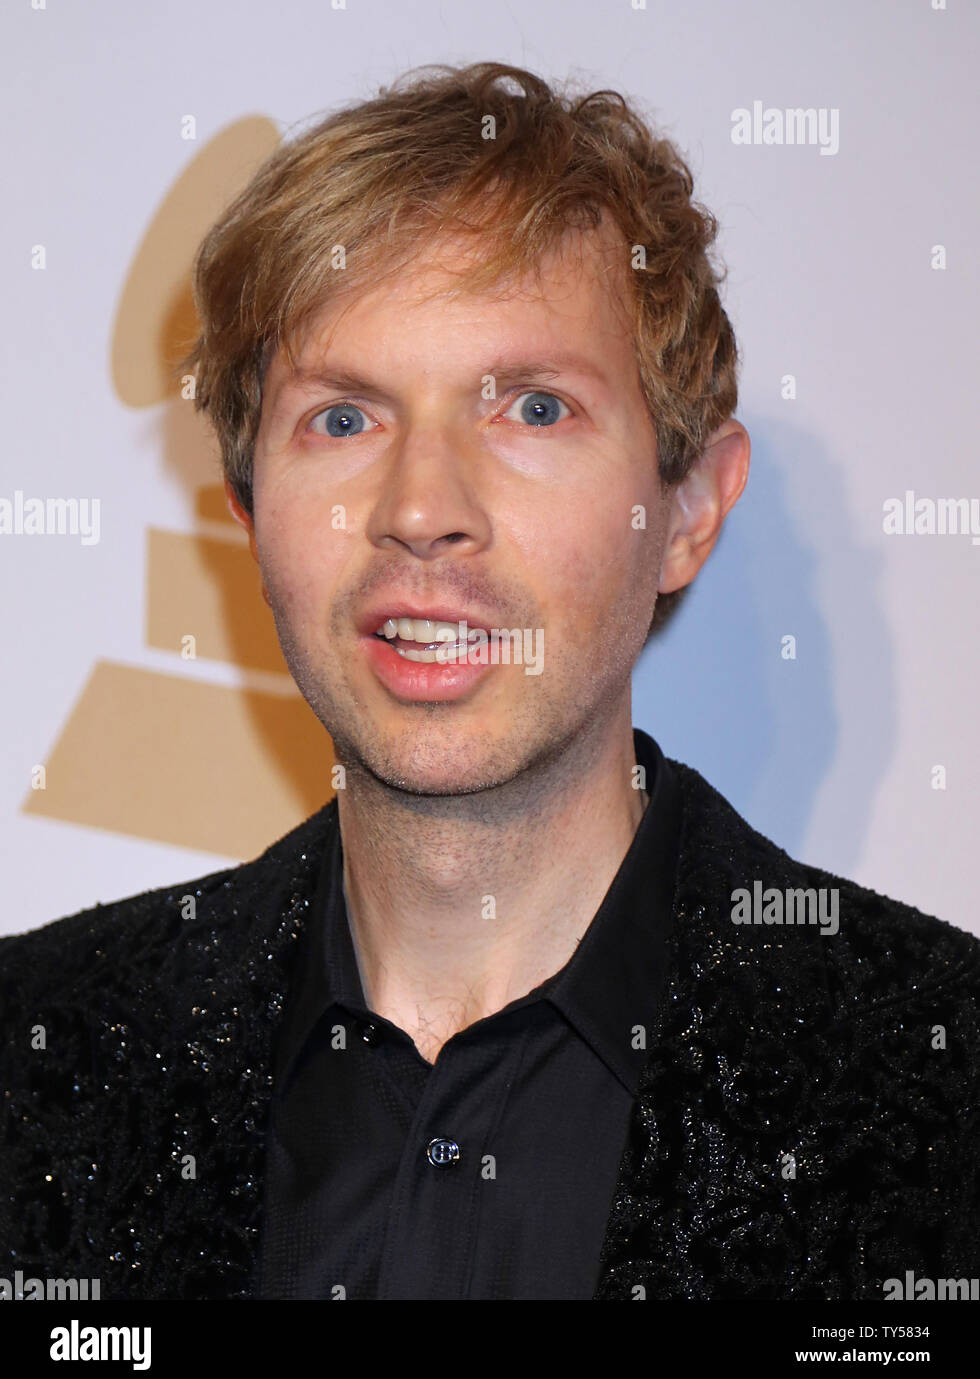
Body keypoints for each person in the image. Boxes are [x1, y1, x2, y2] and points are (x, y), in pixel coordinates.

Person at [2, 61, 977, 1302]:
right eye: (343, 419)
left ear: (686, 508)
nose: (420, 510)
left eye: (529, 407)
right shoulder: (38, 1052)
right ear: (251, 514)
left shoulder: (937, 1081)